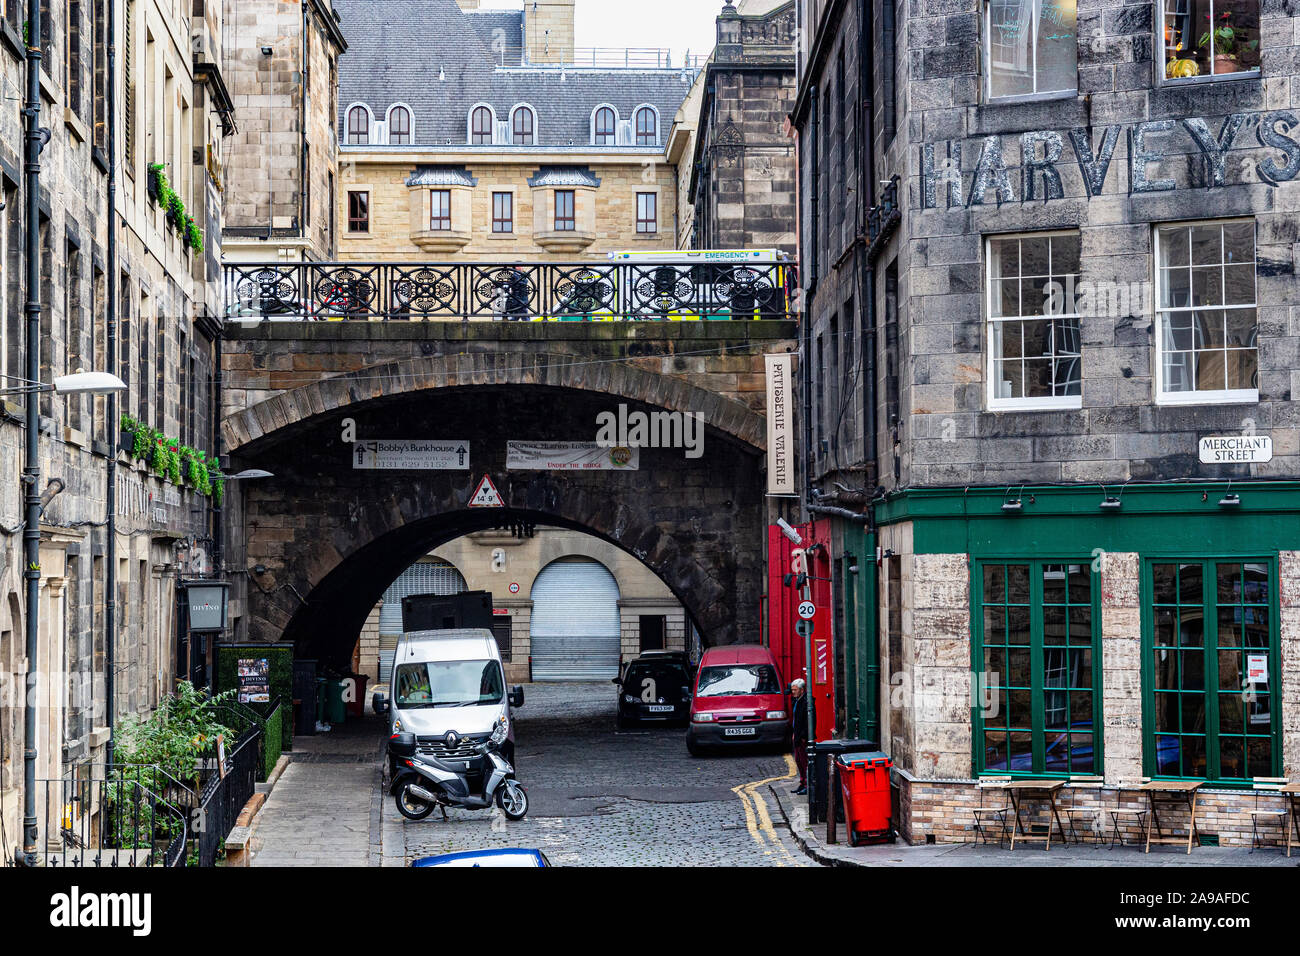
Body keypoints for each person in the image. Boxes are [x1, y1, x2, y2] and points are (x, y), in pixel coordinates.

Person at [791, 678, 815, 795]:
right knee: (798, 761)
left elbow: (809, 721)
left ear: (802, 690)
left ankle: (807, 784)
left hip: (802, 738)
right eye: (792, 690)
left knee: (805, 762)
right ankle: (802, 783)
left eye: (795, 690)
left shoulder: (806, 702)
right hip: (797, 736)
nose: (793, 692)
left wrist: (803, 736)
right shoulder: (797, 701)